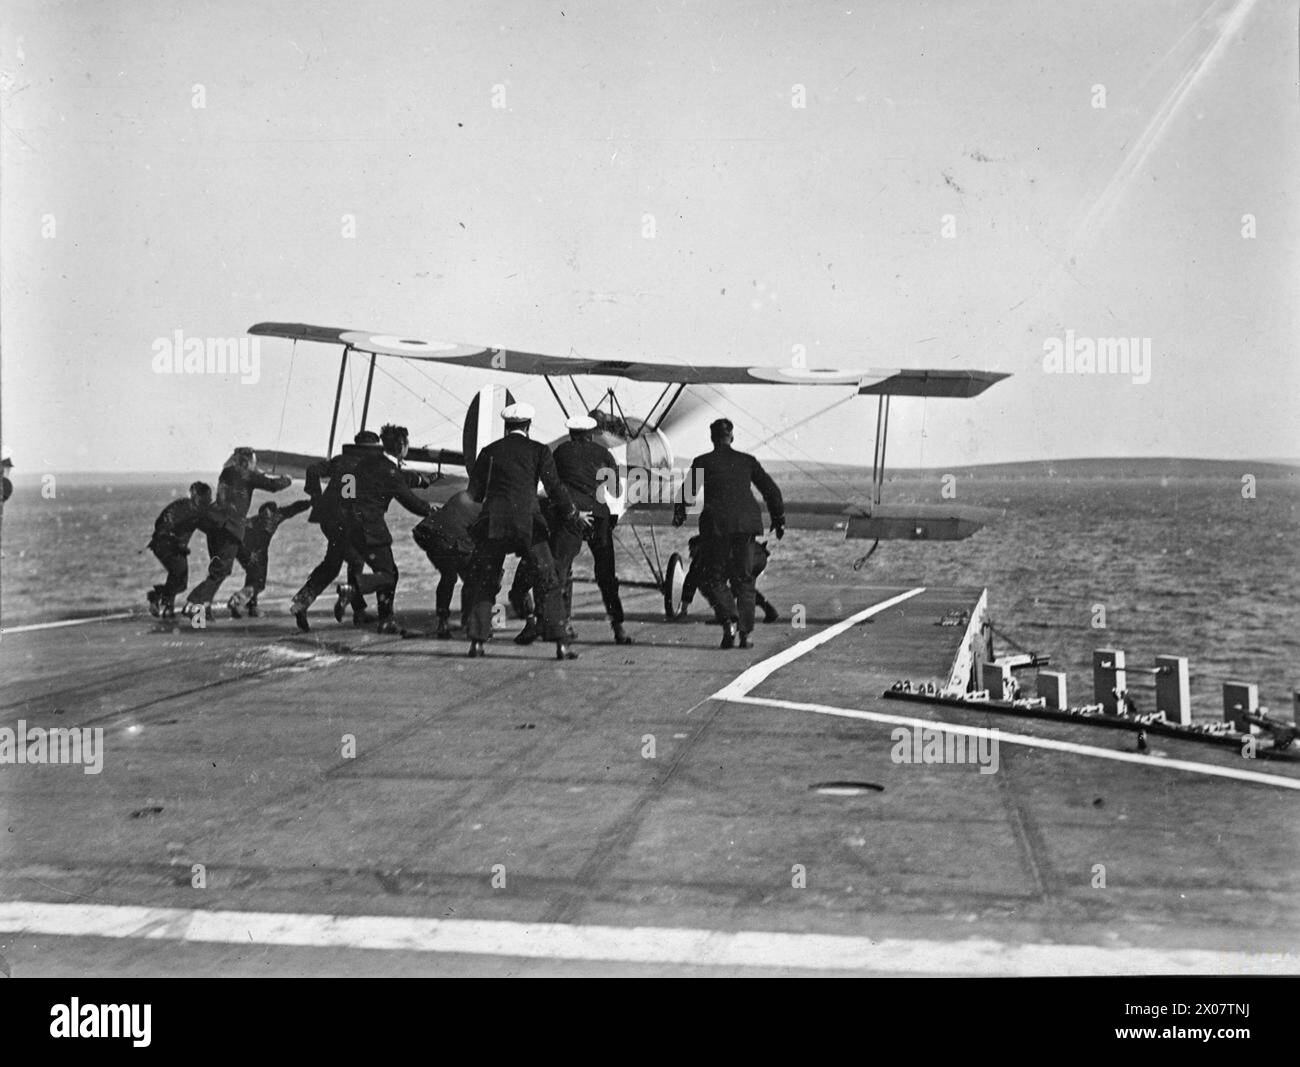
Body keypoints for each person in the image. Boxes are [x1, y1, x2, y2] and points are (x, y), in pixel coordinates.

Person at [463, 402, 580, 660]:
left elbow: (475, 493)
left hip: (494, 524)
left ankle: (477, 642)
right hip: (528, 525)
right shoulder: (539, 451)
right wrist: (571, 512)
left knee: (485, 580)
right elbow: (554, 487)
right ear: (528, 426)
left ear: (506, 426)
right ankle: (560, 644)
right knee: (548, 579)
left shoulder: (489, 451)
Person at [672, 418, 784, 649]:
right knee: (744, 579)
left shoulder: (703, 461)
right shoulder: (747, 461)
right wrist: (778, 519)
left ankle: (728, 623)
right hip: (745, 526)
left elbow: (687, 492)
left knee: (714, 578)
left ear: (712, 438)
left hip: (716, 528)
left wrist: (680, 513)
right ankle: (746, 635)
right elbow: (771, 490)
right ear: (731, 437)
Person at [332, 422, 434, 634]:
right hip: (370, 527)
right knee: (389, 574)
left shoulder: (368, 463)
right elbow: (410, 502)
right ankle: (353, 591)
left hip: (351, 524)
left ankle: (385, 619)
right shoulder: (390, 471)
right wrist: (433, 511)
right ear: (402, 446)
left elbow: (352, 488)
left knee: (386, 571)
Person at [543, 414, 632, 645]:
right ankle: (618, 627)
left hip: (569, 516)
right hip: (598, 516)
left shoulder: (559, 452)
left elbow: (551, 485)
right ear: (592, 434)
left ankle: (562, 624)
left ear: (571, 433)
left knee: (561, 570)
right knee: (606, 573)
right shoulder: (604, 454)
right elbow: (616, 492)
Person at [184, 449, 291, 619]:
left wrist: (251, 470)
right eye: (253, 462)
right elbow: (273, 486)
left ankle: (205, 609)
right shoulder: (246, 474)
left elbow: (236, 470)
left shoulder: (227, 472)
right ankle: (193, 603)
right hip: (230, 529)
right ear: (247, 462)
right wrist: (287, 479)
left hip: (214, 527)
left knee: (224, 568)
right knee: (221, 571)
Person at [289, 431, 380, 632]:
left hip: (327, 519)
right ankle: (354, 605)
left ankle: (302, 602)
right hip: (345, 521)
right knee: (356, 560)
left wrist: (315, 496)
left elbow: (312, 469)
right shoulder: (367, 466)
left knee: (332, 564)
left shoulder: (341, 459)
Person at [226, 498, 313, 617]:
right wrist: (310, 502)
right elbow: (292, 508)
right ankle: (238, 599)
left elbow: (292, 508)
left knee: (254, 577)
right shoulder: (273, 517)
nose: (268, 516)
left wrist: (308, 503)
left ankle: (252, 607)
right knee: (258, 582)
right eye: (266, 513)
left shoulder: (254, 520)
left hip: (245, 550)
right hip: (253, 551)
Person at [412, 488, 479, 639]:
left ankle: (442, 621)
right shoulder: (487, 505)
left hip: (429, 533)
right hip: (450, 539)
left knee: (448, 576)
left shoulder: (463, 494)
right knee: (471, 578)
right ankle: (467, 620)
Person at [146, 481, 212, 619]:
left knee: (177, 578)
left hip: (164, 546)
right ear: (198, 497)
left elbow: (163, 522)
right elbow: (168, 524)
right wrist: (175, 542)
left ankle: (166, 606)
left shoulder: (185, 505)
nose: (210, 500)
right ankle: (158, 597)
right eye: (208, 497)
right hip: (168, 547)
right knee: (180, 578)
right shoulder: (193, 509)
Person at [681, 534, 780, 624]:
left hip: (749, 558)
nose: (690, 555)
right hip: (758, 556)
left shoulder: (707, 553)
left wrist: (683, 610)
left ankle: (725, 616)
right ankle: (769, 610)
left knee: (714, 587)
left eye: (691, 550)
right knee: (741, 587)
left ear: (700, 547)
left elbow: (691, 580)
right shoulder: (716, 545)